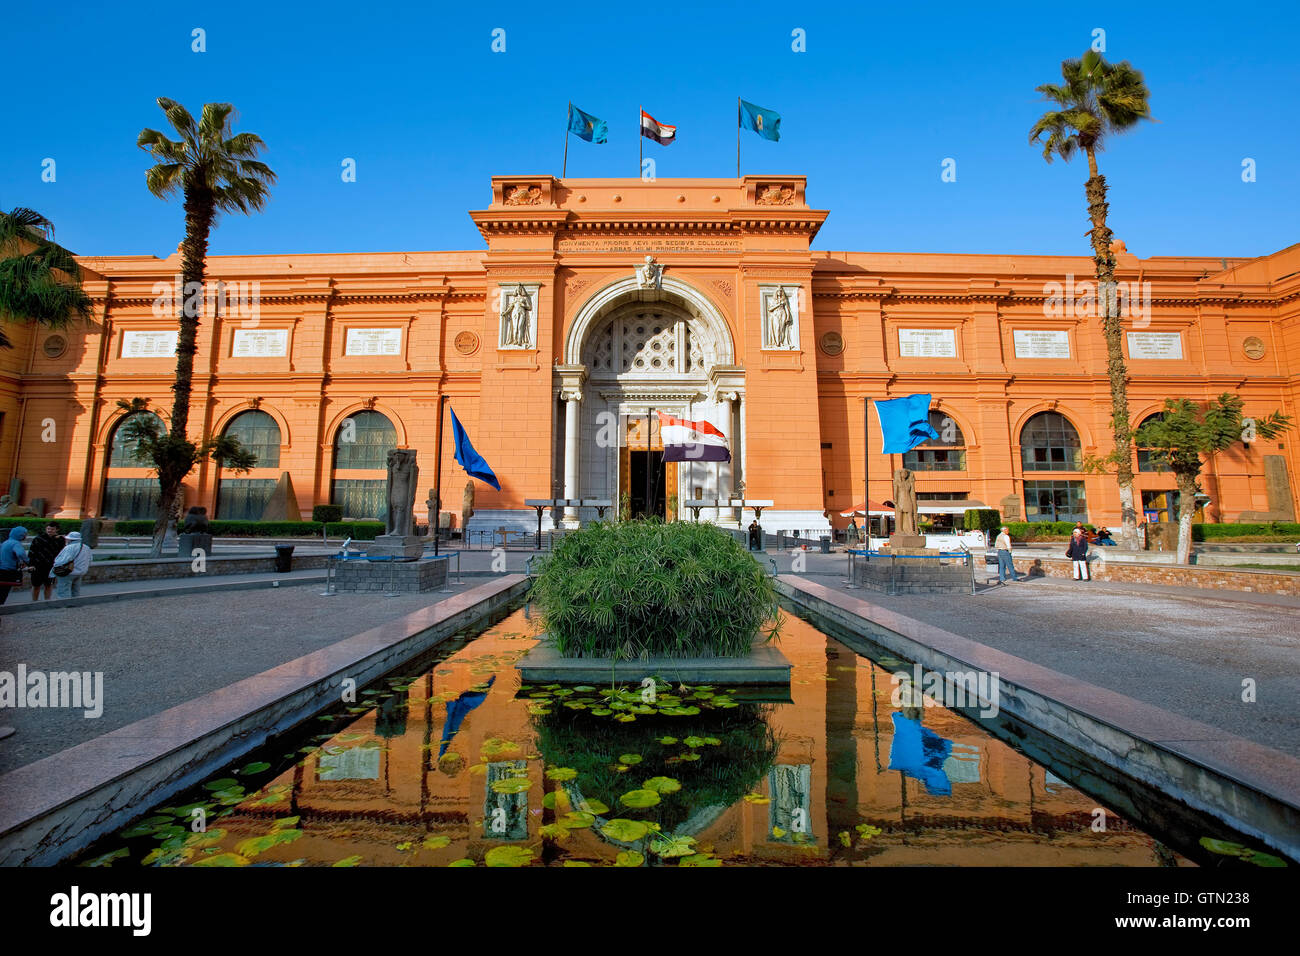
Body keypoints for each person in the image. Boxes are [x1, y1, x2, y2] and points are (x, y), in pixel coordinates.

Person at [28, 522, 65, 601]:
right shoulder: (38, 539)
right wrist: (31, 565)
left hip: (51, 566)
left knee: (49, 585)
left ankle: (47, 601)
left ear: (57, 530)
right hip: (38, 566)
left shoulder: (59, 540)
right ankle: (34, 601)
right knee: (36, 585)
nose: (50, 531)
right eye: (48, 529)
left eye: (52, 529)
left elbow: (63, 552)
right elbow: (32, 552)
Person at [52, 531, 94, 599]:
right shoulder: (86, 547)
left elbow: (61, 561)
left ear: (70, 539)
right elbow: (90, 559)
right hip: (80, 572)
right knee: (75, 591)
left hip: (68, 572)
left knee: (63, 591)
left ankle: (65, 605)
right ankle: (74, 605)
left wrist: (55, 567)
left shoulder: (69, 547)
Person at [0, 527, 29, 605]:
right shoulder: (16, 543)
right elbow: (20, 553)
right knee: (3, 593)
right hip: (8, 571)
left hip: (1, 569)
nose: (25, 537)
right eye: (25, 534)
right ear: (20, 535)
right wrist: (27, 561)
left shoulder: (5, 542)